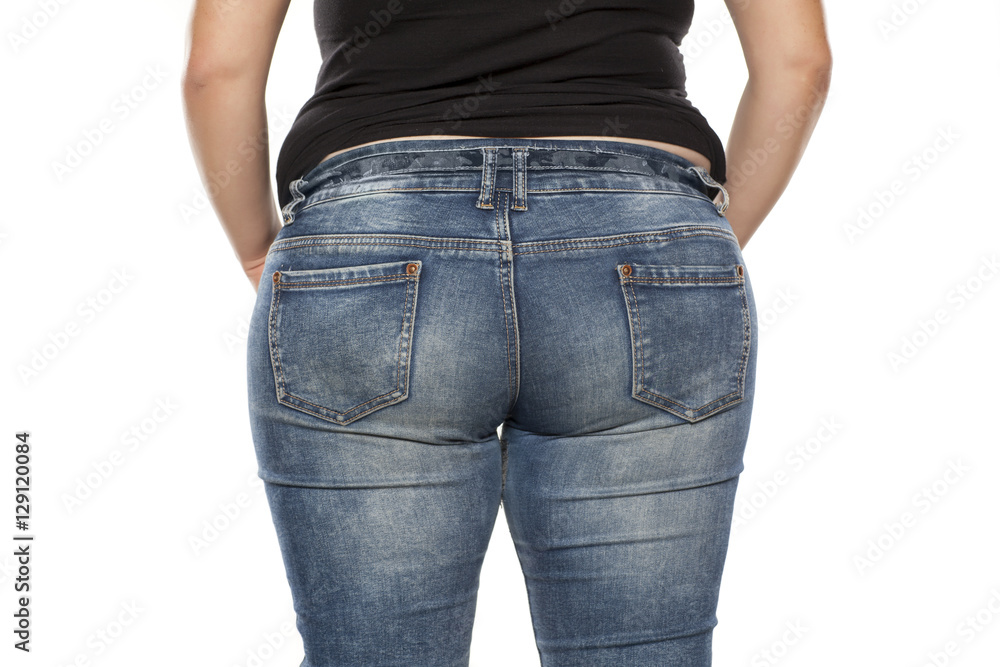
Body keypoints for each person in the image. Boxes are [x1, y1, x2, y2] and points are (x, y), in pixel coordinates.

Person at [183, 0, 831, 664]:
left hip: (371, 237)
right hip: (640, 235)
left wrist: (259, 252)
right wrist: (688, 244)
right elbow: (797, 63)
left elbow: (217, 69)